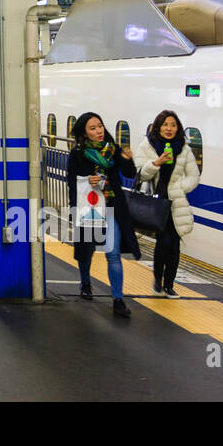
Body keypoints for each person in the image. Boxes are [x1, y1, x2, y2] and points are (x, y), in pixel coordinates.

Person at [67, 111, 142, 318]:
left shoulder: (113, 150)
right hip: (89, 208)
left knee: (113, 253)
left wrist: (128, 160)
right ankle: (85, 282)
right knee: (87, 250)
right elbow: (72, 182)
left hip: (112, 208)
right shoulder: (77, 154)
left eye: (99, 126)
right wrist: (86, 182)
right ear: (84, 133)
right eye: (92, 128)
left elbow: (129, 174)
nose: (98, 131)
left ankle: (118, 299)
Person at [134, 109, 201, 298]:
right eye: (165, 125)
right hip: (157, 202)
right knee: (163, 243)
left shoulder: (184, 149)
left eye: (173, 125)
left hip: (176, 202)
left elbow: (193, 176)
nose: (169, 128)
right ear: (158, 126)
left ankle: (169, 284)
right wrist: (156, 162)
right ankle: (157, 280)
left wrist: (179, 188)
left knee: (175, 245)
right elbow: (141, 173)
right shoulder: (147, 146)